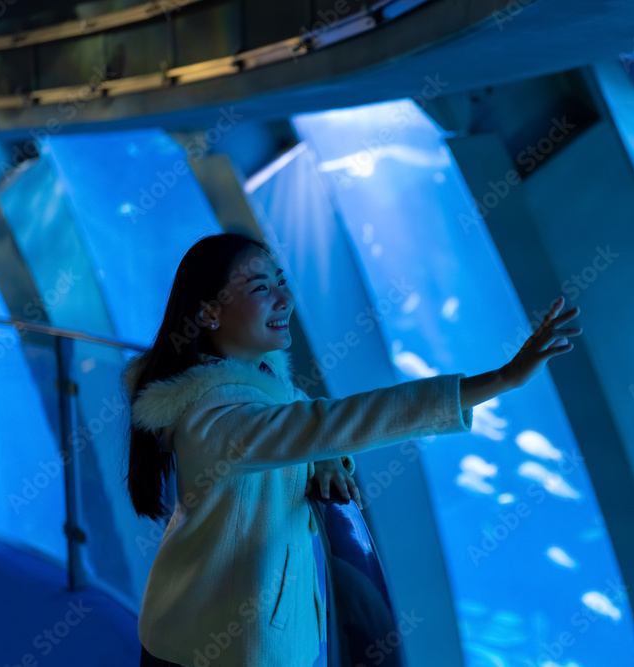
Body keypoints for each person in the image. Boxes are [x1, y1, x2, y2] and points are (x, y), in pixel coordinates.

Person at [123, 232, 582, 667]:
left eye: (281, 281)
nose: (285, 299)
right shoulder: (215, 415)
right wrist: (501, 379)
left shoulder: (256, 380)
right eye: (261, 288)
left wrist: (323, 455)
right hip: (216, 648)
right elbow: (333, 421)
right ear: (209, 313)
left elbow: (299, 417)